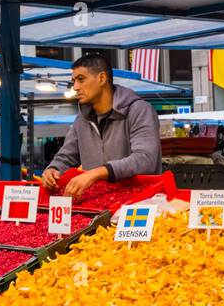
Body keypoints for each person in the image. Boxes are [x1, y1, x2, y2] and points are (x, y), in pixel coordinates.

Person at [41, 53, 161, 201]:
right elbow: (66, 156)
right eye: (73, 81)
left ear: (102, 78)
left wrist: (97, 173)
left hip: (138, 205)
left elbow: (145, 160)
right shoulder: (81, 120)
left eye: (81, 79)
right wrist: (53, 169)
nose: (75, 87)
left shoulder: (139, 110)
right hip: (98, 203)